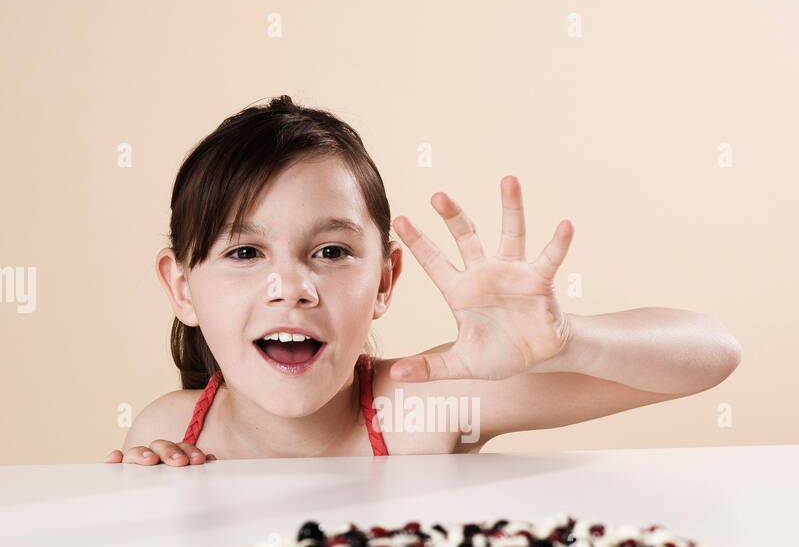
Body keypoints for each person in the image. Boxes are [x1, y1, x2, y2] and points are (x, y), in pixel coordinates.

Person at [105, 94, 741, 463]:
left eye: (330, 251)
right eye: (245, 254)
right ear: (182, 287)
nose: (290, 287)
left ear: (385, 280)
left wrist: (568, 341)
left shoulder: (419, 412)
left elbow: (712, 352)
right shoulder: (165, 428)